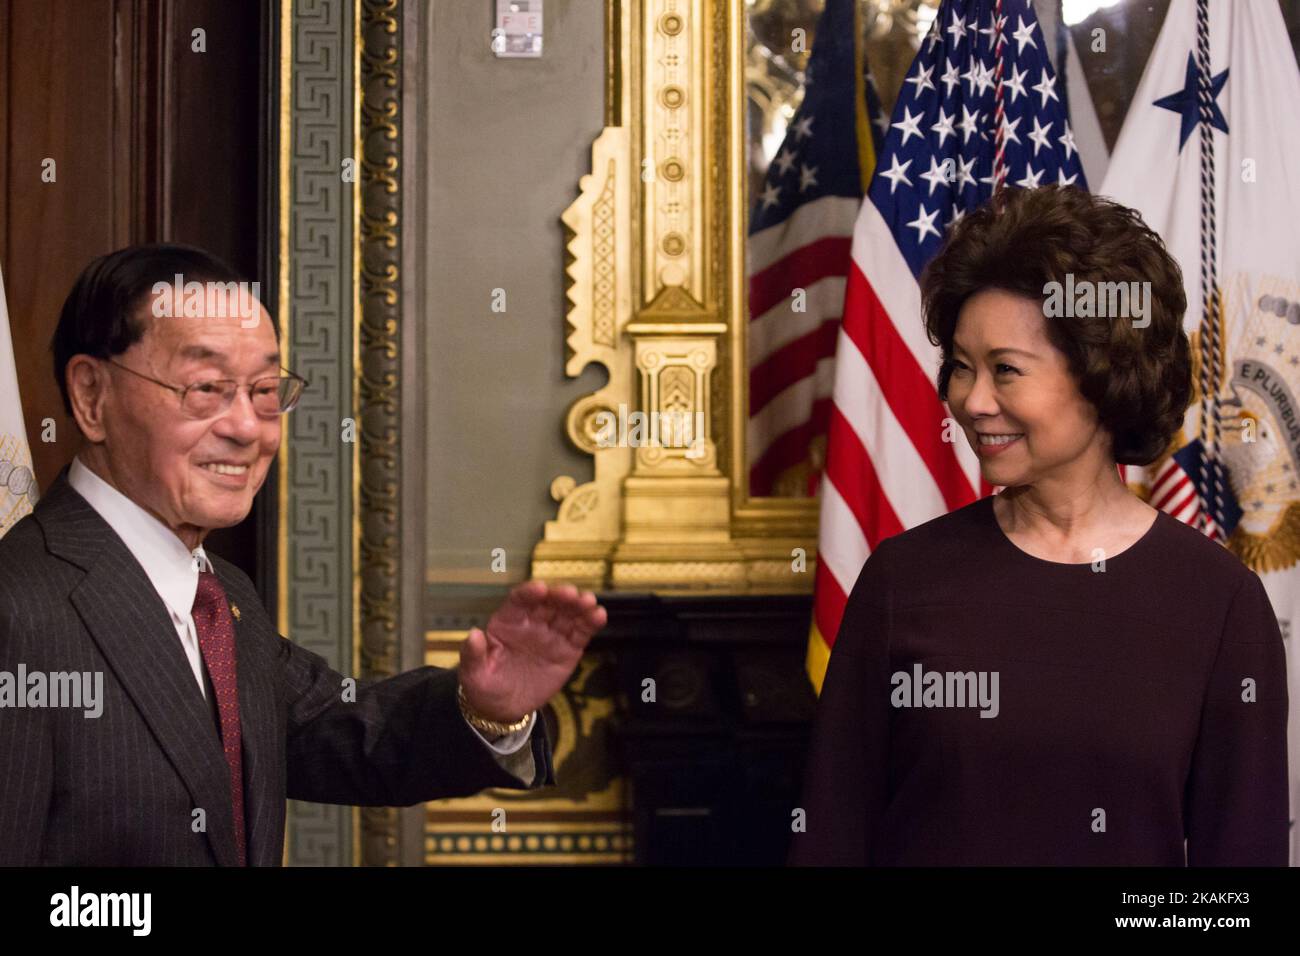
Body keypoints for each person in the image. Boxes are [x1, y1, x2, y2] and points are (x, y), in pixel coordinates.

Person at [0, 244, 607, 865]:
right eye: (207, 387)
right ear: (91, 395)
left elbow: (347, 733)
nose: (248, 427)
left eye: (265, 390)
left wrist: (486, 710)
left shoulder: (221, 595)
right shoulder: (19, 612)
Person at [788, 185, 1289, 866]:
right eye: (961, 367)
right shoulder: (903, 580)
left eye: (1006, 371)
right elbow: (829, 842)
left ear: (1102, 375)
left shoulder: (1219, 603)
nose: (971, 399)